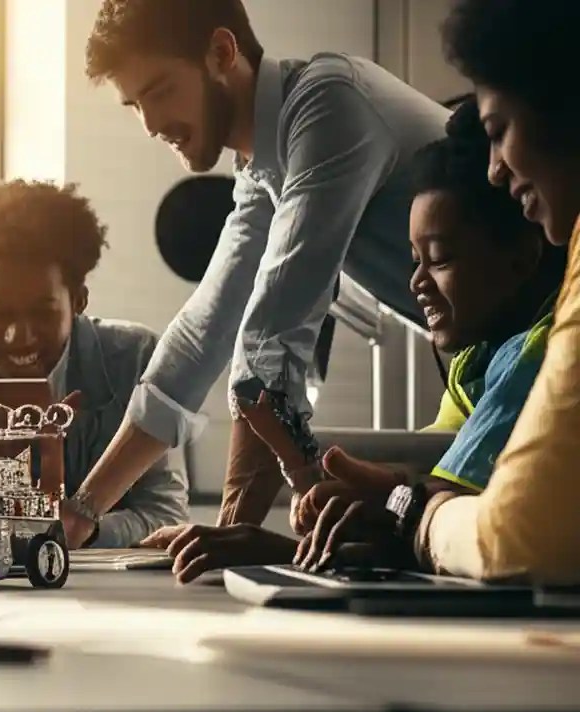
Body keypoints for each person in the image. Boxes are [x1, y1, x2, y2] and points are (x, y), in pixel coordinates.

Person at [66, 0, 450, 548]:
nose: (150, 125)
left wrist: (233, 535)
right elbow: (203, 335)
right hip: (495, 366)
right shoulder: (261, 165)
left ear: (222, 52)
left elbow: (271, 336)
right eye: (133, 105)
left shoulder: (328, 102)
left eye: (158, 91)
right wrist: (82, 511)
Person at [145, 102, 566, 581]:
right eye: (414, 261)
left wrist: (279, 549)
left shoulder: (532, 356)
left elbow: (430, 514)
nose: (415, 284)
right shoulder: (476, 361)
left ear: (520, 259)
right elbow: (419, 489)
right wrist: (338, 491)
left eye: (441, 259)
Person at [299, 0, 580, 584]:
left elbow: (514, 535)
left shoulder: (531, 349)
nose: (497, 171)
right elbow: (438, 466)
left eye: (500, 131)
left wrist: (413, 512)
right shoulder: (476, 364)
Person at [0, 180, 188, 548]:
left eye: (42, 313)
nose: (19, 336)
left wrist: (86, 529)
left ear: (79, 300)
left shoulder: (134, 358)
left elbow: (166, 515)